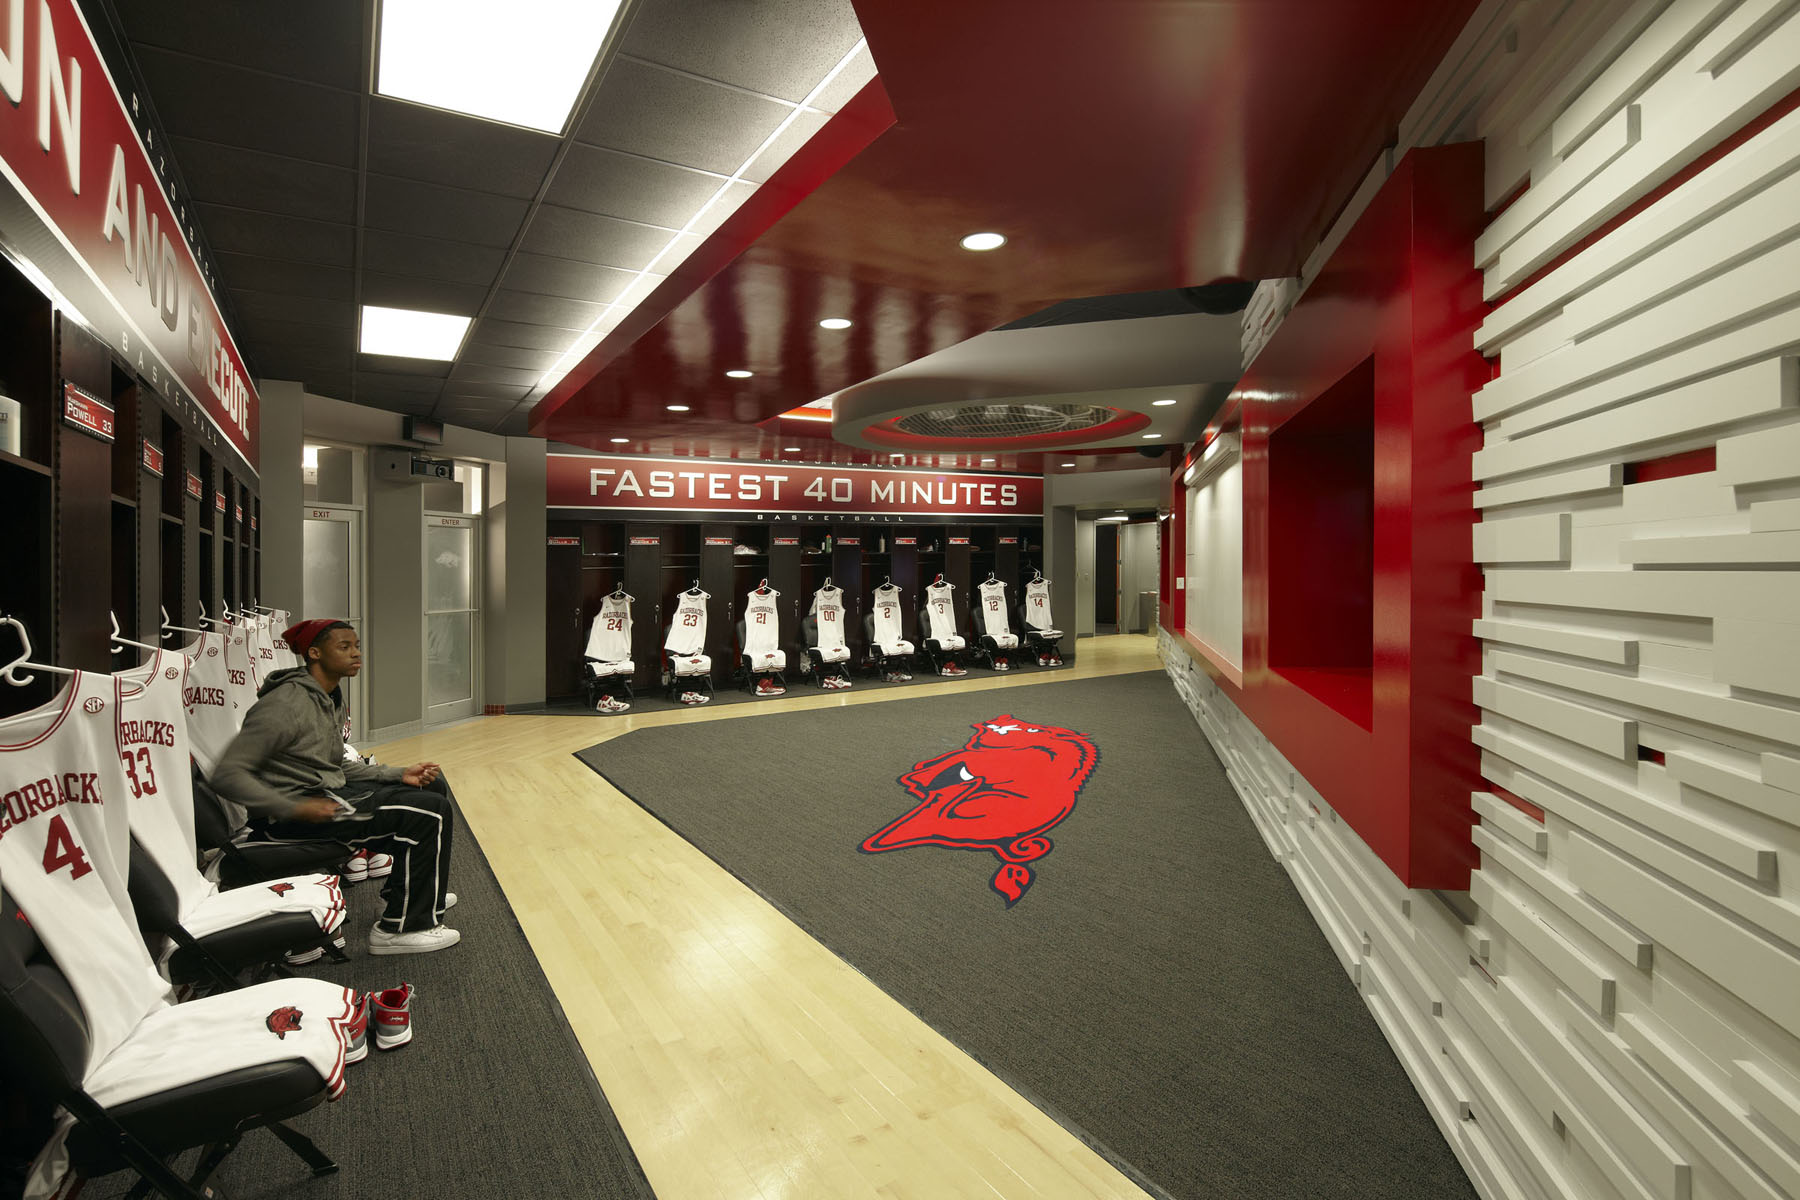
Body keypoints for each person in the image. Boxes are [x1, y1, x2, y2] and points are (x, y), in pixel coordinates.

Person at [211, 619, 461, 954]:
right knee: (428, 812)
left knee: (431, 790)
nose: (356, 653)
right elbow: (228, 774)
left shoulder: (327, 695)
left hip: (324, 799)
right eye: (344, 647)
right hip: (291, 818)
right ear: (314, 653)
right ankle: (400, 930)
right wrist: (295, 807)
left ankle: (414, 897)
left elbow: (333, 764)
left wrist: (397, 774)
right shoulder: (284, 704)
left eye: (356, 645)